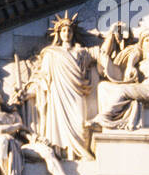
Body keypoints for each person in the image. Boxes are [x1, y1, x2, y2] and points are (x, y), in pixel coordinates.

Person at [27, 14, 100, 160]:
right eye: (64, 31)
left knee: (80, 123)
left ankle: (80, 152)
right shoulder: (51, 54)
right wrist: (29, 92)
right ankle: (66, 155)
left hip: (77, 91)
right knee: (59, 123)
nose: (67, 33)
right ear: (59, 34)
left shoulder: (81, 52)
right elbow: (43, 77)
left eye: (69, 31)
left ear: (73, 34)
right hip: (58, 93)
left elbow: (99, 55)